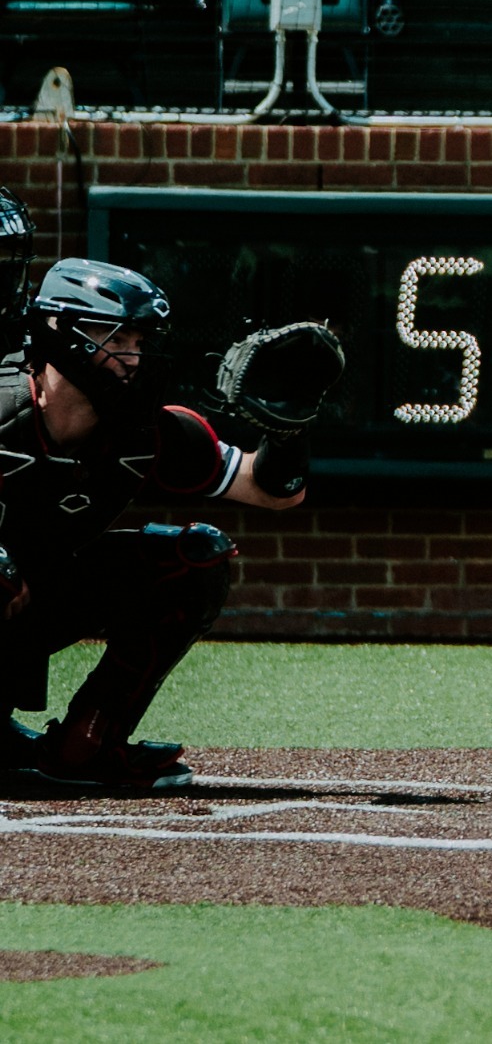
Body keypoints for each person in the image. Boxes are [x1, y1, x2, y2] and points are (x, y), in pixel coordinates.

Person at [0, 256, 312, 791]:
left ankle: (85, 747)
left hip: (35, 599)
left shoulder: (147, 431)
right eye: (118, 339)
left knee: (196, 559)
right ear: (61, 332)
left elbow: (273, 491)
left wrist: (288, 429)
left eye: (141, 342)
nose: (134, 358)